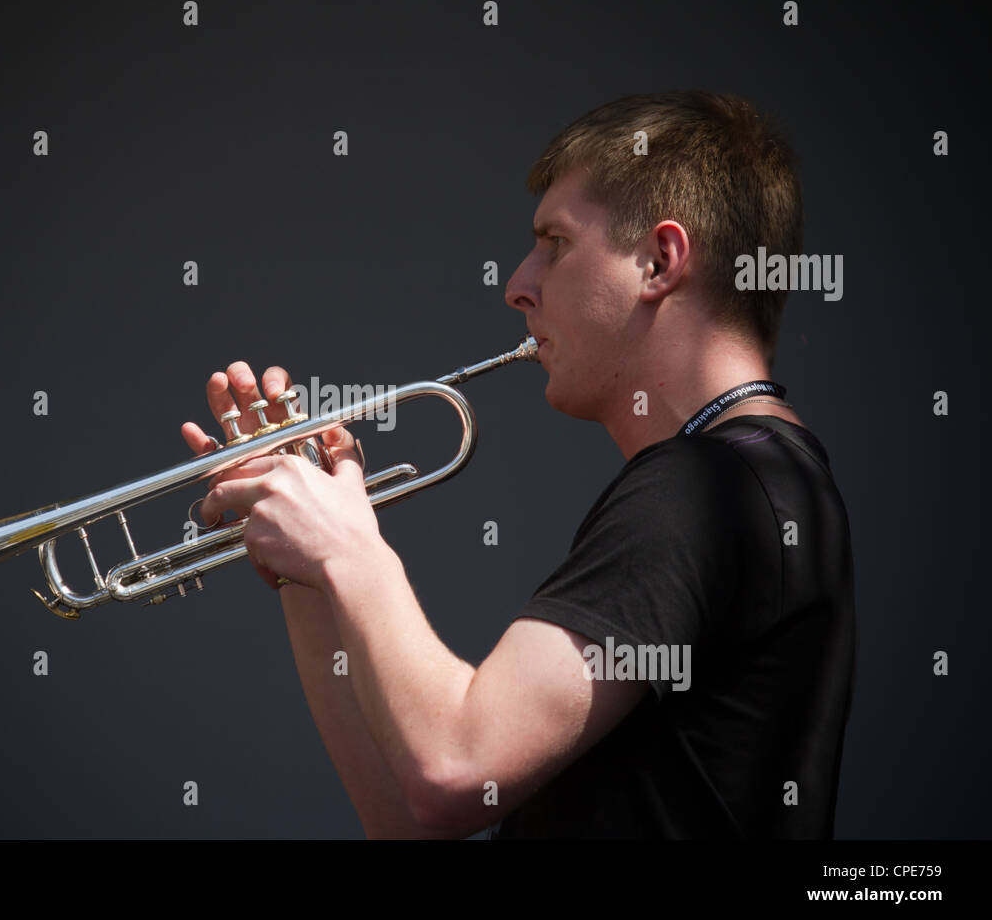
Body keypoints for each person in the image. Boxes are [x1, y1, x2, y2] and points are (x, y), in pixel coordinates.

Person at [179, 91, 856, 838]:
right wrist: (305, 566)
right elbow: (407, 818)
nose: (517, 285)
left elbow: (455, 771)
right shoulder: (760, 478)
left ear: (660, 261)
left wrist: (348, 550)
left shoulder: (702, 488)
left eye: (554, 242)